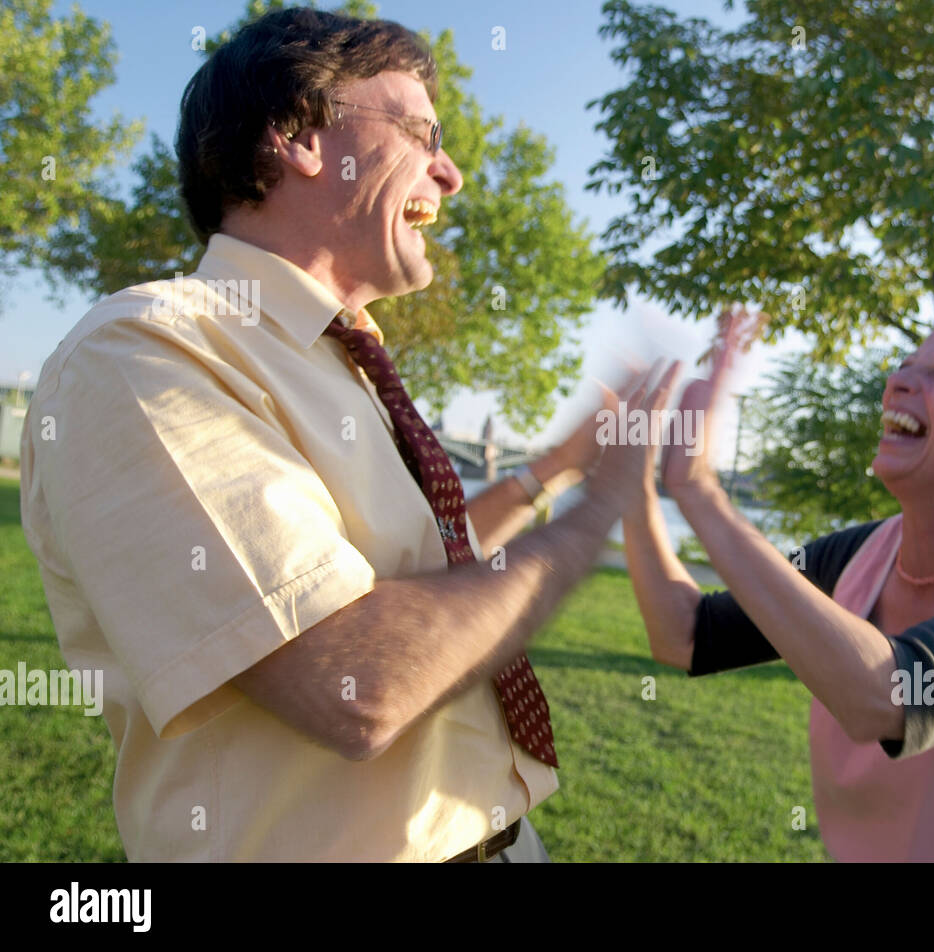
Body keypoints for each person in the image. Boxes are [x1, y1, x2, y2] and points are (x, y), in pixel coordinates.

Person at [19, 7, 677, 862]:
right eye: (419, 130)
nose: (452, 174)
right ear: (297, 135)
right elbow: (354, 681)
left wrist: (563, 464)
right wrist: (599, 513)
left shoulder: (345, 362)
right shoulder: (143, 354)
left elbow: (426, 568)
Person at [624, 306, 934, 861]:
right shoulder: (853, 556)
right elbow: (685, 635)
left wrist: (701, 493)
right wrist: (632, 485)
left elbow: (890, 697)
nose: (898, 381)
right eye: (906, 366)